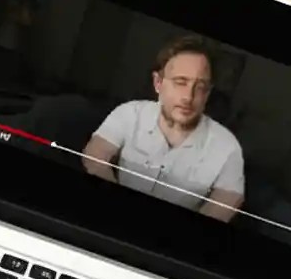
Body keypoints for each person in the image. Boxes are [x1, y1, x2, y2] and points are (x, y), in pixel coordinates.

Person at [82, 35, 245, 222]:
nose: (188, 97)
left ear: (207, 93)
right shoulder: (130, 113)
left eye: (200, 87)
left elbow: (229, 199)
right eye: (180, 82)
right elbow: (95, 153)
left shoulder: (227, 146)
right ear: (158, 83)